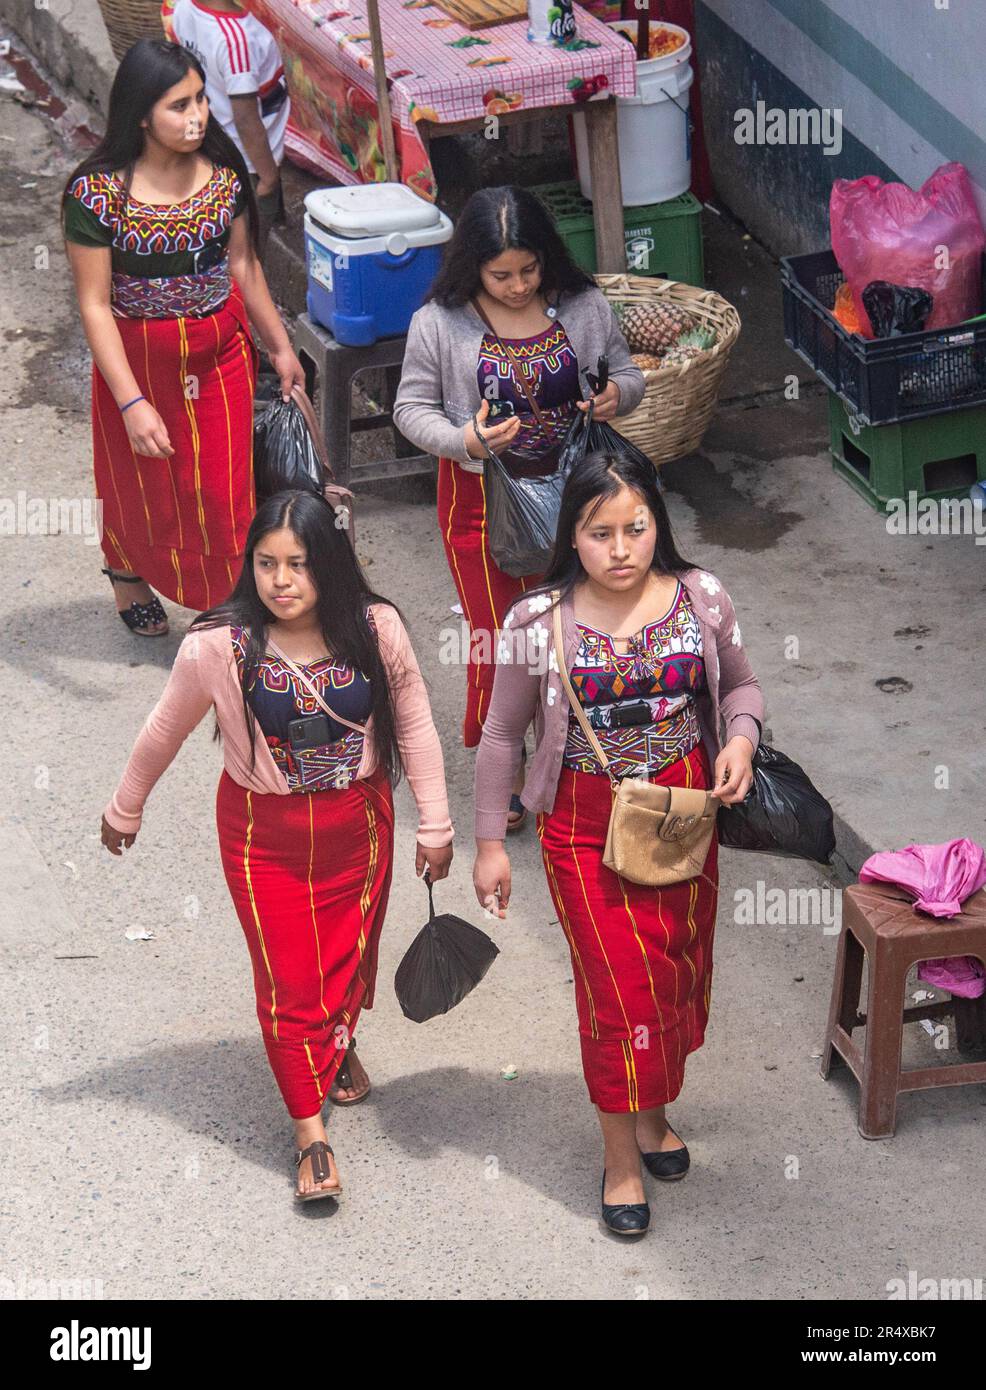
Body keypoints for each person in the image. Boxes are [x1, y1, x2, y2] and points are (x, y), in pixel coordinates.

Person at [100, 490, 454, 1202]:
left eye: (299, 564)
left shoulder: (377, 628)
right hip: (264, 837)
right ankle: (309, 1135)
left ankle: (338, 1040)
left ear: (332, 565)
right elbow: (163, 731)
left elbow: (414, 723)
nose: (282, 580)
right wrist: (124, 806)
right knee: (289, 981)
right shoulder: (215, 645)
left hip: (364, 822)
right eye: (267, 564)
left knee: (350, 958)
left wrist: (438, 823)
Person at [472, 450, 763, 1235]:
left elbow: (738, 686)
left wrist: (740, 738)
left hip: (683, 814)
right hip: (581, 826)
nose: (623, 547)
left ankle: (651, 1115)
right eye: (601, 533)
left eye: (637, 526)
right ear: (572, 535)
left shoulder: (701, 598)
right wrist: (489, 842)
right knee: (617, 995)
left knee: (672, 975)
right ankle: (621, 1164)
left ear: (658, 522)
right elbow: (501, 733)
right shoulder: (539, 622)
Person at [393, 185, 645, 830]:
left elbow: (627, 373)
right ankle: (503, 764)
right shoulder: (439, 323)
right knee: (501, 636)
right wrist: (465, 441)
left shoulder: (584, 306)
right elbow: (411, 409)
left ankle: (583, 749)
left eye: (528, 270)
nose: (515, 285)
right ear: (472, 267)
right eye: (499, 274)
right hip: (480, 503)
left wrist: (618, 395)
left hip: (579, 499)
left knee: (580, 629)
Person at [62, 38, 304, 634]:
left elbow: (244, 266)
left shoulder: (223, 178)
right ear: (141, 114)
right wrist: (131, 401)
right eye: (178, 105)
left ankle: (227, 599)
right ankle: (127, 572)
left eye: (201, 99)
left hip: (220, 350)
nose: (197, 116)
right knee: (139, 484)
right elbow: (94, 304)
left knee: (225, 486)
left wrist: (278, 345)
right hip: (135, 360)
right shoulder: (96, 195)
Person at [163, 0, 289, 252]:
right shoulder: (238, 40)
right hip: (250, 162)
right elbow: (245, 118)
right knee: (255, 240)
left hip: (216, 141)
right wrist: (268, 175)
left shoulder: (184, 9)